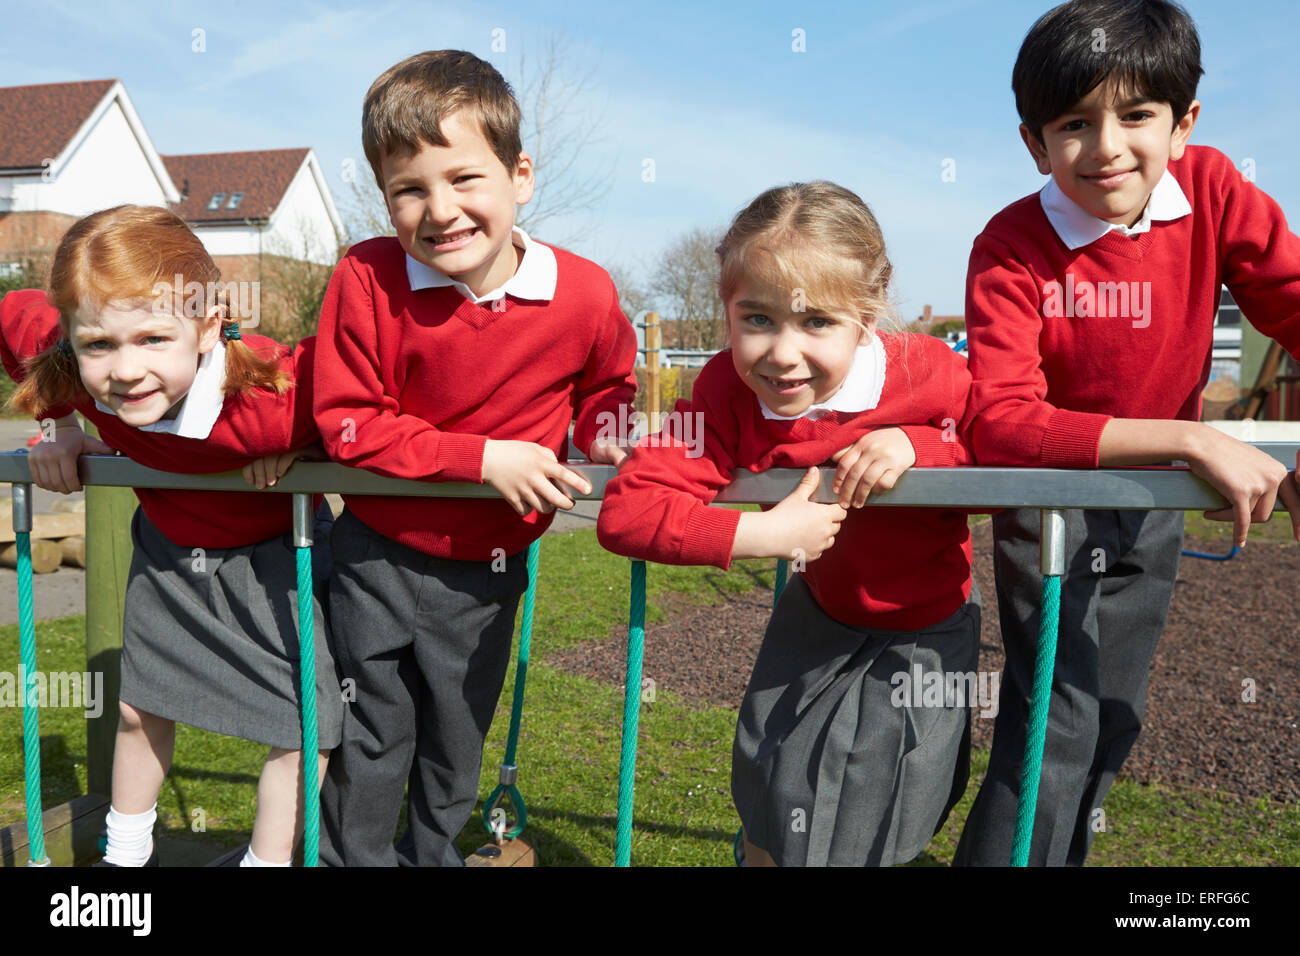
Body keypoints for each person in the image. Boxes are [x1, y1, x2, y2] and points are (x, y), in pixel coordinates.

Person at [956, 0, 1300, 866]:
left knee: (1115, 711)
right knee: (1056, 719)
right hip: (1052, 505)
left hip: (1152, 508)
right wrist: (1186, 439)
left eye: (1137, 114)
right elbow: (1001, 419)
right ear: (1035, 143)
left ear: (1183, 124)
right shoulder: (1010, 247)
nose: (1107, 146)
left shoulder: (1214, 189)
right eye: (1075, 123)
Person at [313, 50, 638, 866]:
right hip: (372, 557)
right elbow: (345, 423)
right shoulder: (366, 276)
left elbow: (611, 387)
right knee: (368, 738)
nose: (440, 210)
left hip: (487, 572)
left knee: (456, 745)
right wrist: (481, 457)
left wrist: (607, 433)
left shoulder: (586, 293)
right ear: (383, 197)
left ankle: (435, 857)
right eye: (409, 189)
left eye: (464, 179)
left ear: (520, 175)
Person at [598, 181, 981, 866]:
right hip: (820, 609)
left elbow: (1001, 445)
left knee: (881, 792)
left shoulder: (929, 373)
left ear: (868, 314)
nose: (782, 352)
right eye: (758, 319)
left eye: (816, 323)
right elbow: (630, 511)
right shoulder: (722, 391)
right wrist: (767, 537)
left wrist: (918, 446)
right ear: (726, 309)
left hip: (924, 622)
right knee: (769, 769)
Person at [0, 204, 340, 867]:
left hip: (277, 551)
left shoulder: (273, 404)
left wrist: (312, 449)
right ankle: (124, 858)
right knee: (137, 707)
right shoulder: (78, 358)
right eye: (99, 345)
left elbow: (371, 383)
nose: (125, 371)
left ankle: (264, 865)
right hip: (169, 548)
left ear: (209, 328)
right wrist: (61, 423)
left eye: (154, 340)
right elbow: (15, 316)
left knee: (309, 726)